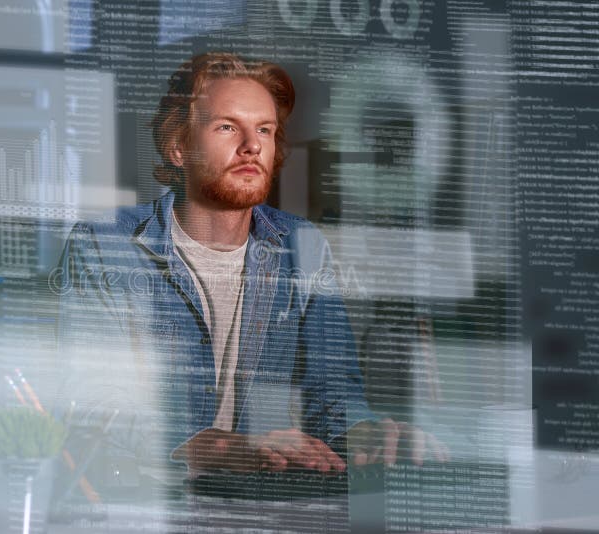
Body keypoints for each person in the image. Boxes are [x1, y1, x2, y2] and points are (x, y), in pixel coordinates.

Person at [55, 52, 447, 475]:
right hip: (143, 498)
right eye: (227, 127)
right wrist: (217, 448)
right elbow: (92, 404)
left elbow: (332, 395)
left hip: (268, 498)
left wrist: (364, 432)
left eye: (265, 129)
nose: (253, 146)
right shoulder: (105, 244)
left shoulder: (303, 246)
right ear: (179, 148)